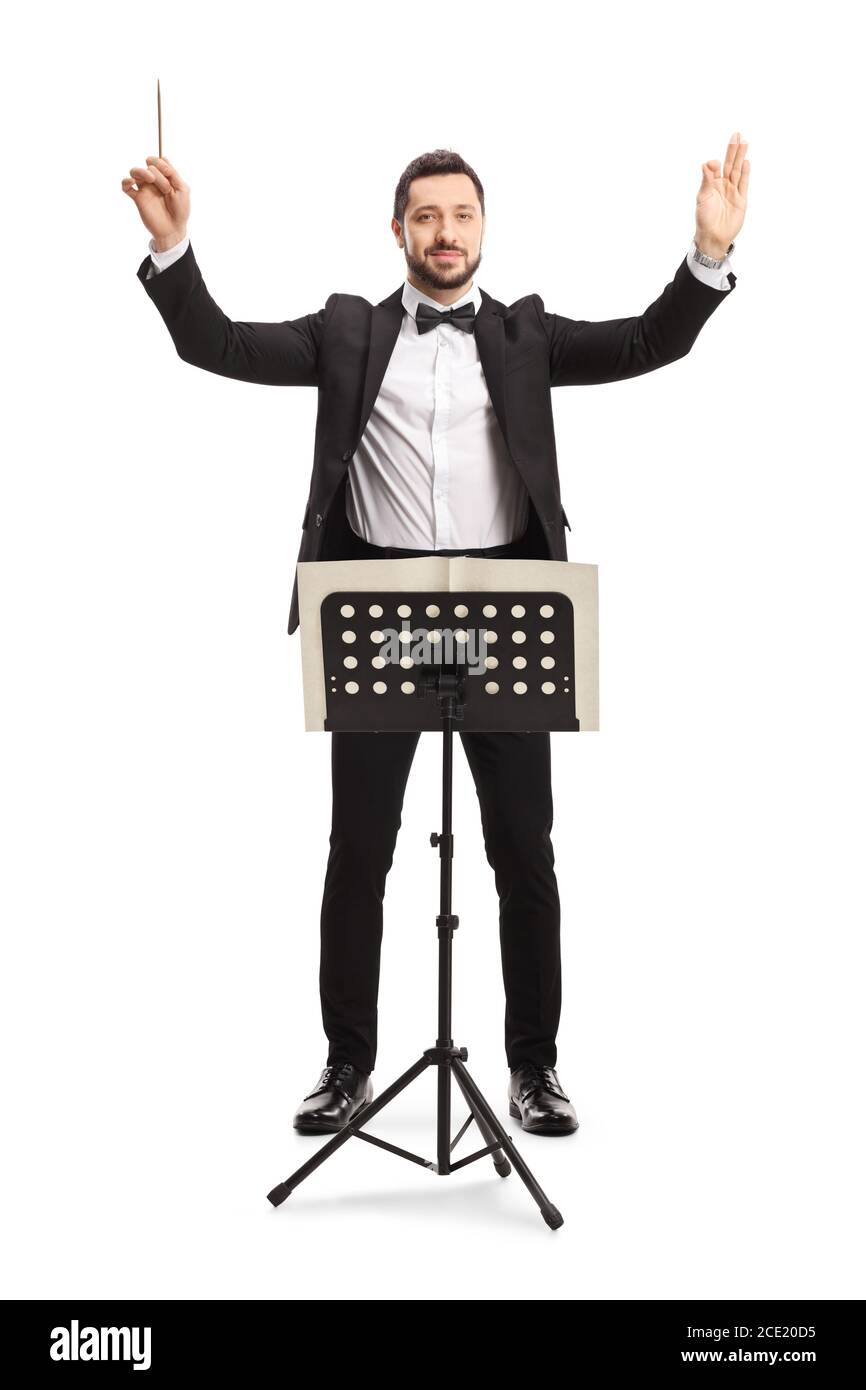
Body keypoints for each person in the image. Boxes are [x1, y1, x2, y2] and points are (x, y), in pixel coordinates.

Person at [123, 137, 749, 1137]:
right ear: (397, 230)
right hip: (375, 612)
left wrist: (704, 255)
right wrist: (175, 249)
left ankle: (534, 1068)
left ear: (482, 228)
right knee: (357, 850)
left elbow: (644, 342)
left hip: (504, 610)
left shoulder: (525, 334)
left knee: (521, 854)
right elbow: (223, 346)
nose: (443, 232)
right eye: (425, 215)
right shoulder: (344, 331)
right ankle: (344, 1065)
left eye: (460, 215)